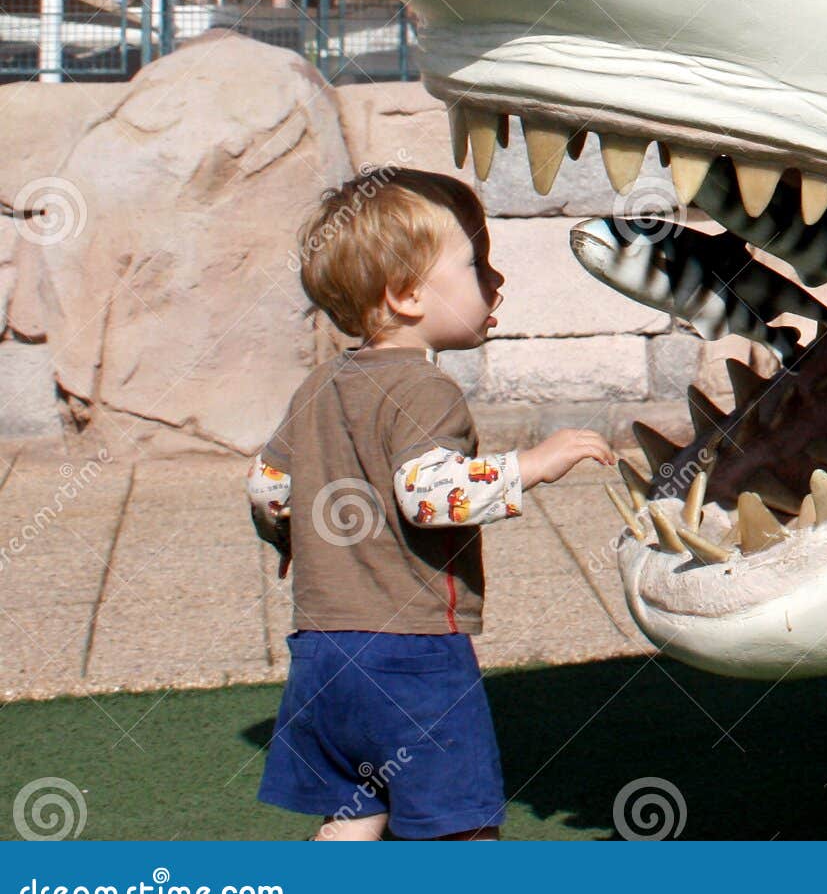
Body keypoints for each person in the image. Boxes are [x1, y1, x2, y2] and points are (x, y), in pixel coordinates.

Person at [246, 166, 616, 840]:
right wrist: (531, 465)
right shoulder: (425, 390)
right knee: (458, 824)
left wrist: (288, 540)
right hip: (412, 653)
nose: (493, 281)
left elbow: (268, 485)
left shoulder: (319, 385)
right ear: (408, 295)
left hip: (322, 649)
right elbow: (429, 496)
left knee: (356, 808)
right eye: (475, 265)